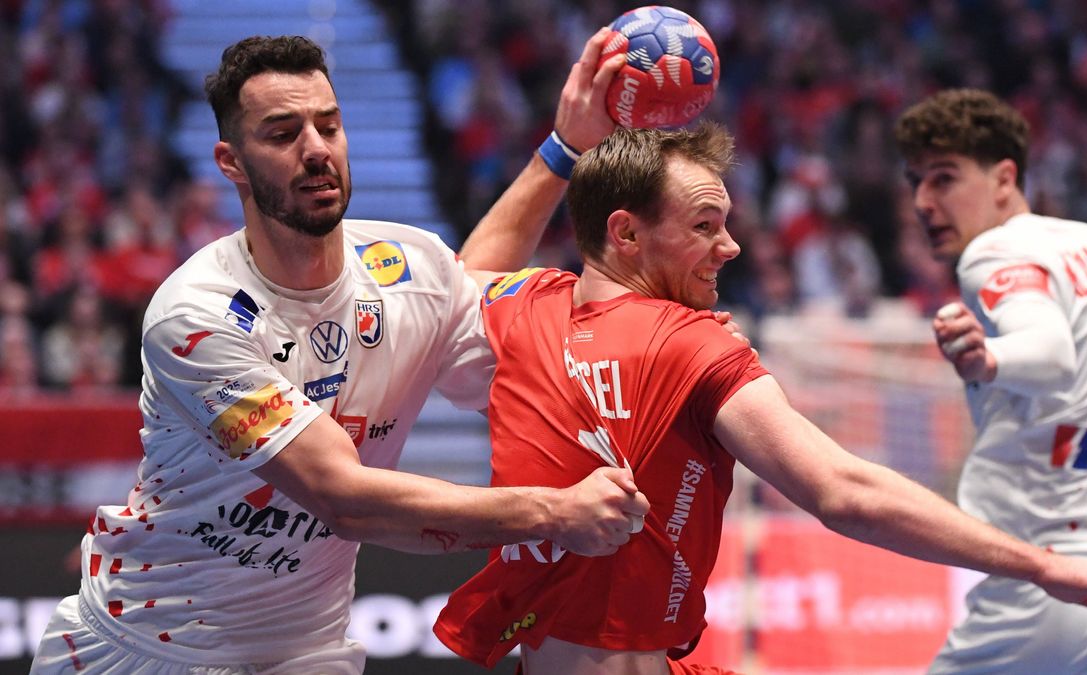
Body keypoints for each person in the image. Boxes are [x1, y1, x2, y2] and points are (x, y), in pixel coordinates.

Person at [433, 122, 1087, 675]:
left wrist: (564, 143)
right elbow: (843, 490)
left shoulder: (523, 304)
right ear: (625, 232)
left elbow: (463, 275)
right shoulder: (691, 342)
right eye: (704, 226)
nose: (732, 248)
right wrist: (1042, 565)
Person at [31, 33, 651, 674]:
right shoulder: (195, 315)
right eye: (281, 134)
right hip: (143, 646)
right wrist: (553, 511)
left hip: (306, 653)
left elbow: (456, 292)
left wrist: (567, 151)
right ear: (231, 162)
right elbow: (342, 497)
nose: (316, 149)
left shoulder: (408, 263)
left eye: (328, 125)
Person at [894, 88, 1087, 674]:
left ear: (1004, 178)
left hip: (1058, 595)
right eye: (915, 182)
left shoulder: (994, 251)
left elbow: (1050, 351)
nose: (923, 202)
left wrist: (990, 358)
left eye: (944, 178)